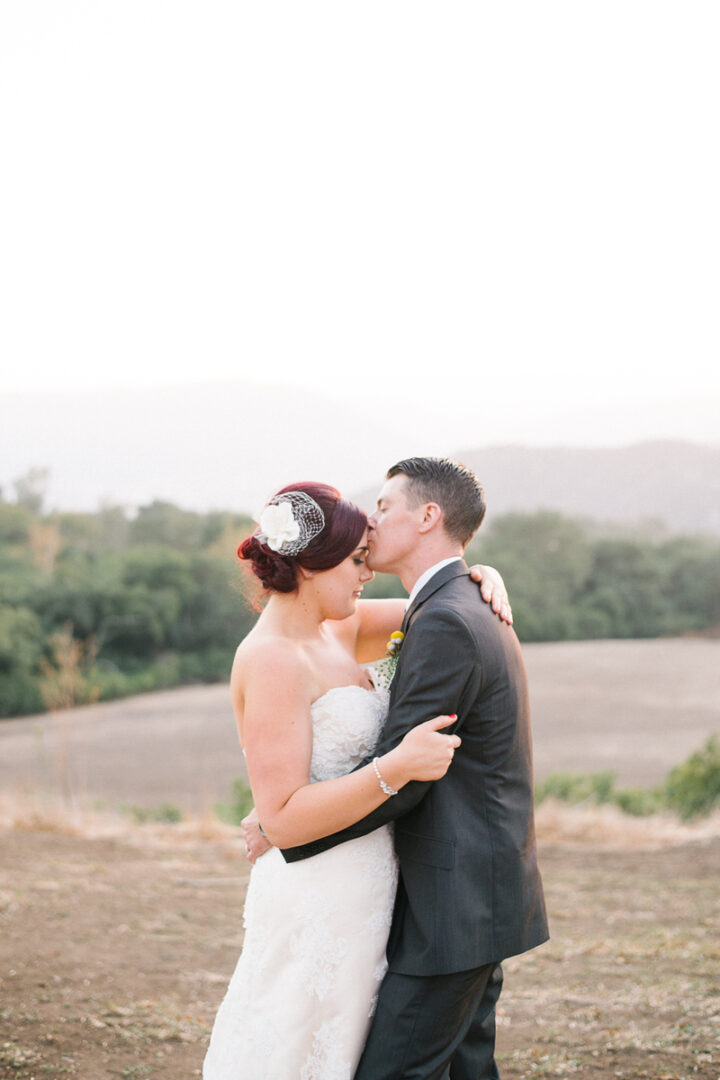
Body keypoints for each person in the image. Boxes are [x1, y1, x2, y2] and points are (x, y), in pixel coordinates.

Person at [202, 480, 511, 1079]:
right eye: (356, 561)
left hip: (374, 886)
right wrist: (395, 767)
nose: (365, 574)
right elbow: (285, 818)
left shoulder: (337, 627)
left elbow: (444, 605)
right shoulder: (271, 659)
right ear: (313, 568)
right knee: (299, 1043)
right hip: (317, 891)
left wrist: (485, 574)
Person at [272, 458, 549, 1079]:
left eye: (385, 505)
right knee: (466, 1070)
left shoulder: (449, 616)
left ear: (429, 517)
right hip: (475, 892)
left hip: (456, 903)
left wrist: (287, 825)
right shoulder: (447, 604)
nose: (372, 519)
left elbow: (406, 774)